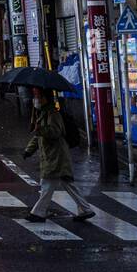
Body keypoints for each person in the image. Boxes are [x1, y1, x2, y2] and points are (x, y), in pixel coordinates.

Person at [24, 87, 96, 222]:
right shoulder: (43, 113)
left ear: (45, 97)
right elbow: (38, 137)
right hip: (53, 155)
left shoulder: (53, 114)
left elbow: (56, 132)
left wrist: (40, 129)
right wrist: (29, 149)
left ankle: (38, 213)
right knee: (67, 183)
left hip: (56, 156)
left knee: (47, 183)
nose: (35, 99)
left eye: (37, 96)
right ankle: (85, 209)